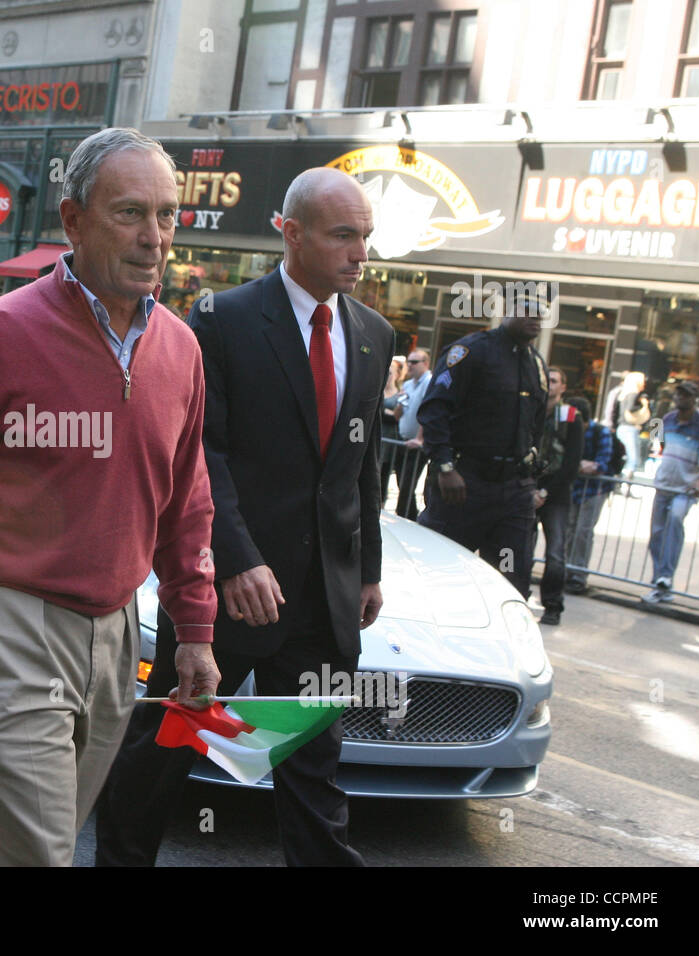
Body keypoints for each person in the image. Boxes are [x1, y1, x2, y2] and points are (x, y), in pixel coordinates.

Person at [0, 127, 220, 867]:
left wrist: (195, 625)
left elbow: (186, 500)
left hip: (117, 631)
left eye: (167, 214)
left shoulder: (182, 350)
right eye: (130, 213)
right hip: (4, 621)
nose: (154, 236)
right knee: (39, 849)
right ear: (73, 220)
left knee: (34, 826)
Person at [96, 166, 392, 867]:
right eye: (343, 235)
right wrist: (234, 559)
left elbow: (363, 464)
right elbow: (200, 451)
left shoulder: (374, 333)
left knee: (312, 764)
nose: (360, 253)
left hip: (324, 596)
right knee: (170, 745)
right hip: (224, 591)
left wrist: (368, 569)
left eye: (367, 237)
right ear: (291, 233)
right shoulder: (222, 319)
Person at [417, 289, 549, 598]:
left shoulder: (536, 364)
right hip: (465, 485)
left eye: (542, 311)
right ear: (507, 312)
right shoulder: (471, 351)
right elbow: (434, 411)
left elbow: (537, 424)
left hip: (513, 492)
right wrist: (445, 466)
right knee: (440, 575)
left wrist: (532, 480)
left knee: (510, 582)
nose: (537, 317)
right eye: (527, 308)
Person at [643, 380, 699, 604]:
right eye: (678, 395)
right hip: (664, 484)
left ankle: (665, 576)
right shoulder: (667, 418)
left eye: (686, 396)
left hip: (685, 487)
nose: (681, 399)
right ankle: (660, 579)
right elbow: (654, 443)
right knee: (657, 534)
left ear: (694, 399)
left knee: (675, 521)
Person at [531, 367, 583, 625]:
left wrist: (545, 491)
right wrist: (530, 489)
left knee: (555, 553)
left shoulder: (571, 416)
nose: (549, 385)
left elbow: (572, 463)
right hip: (527, 491)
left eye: (554, 381)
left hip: (556, 495)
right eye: (546, 380)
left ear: (563, 387)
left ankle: (552, 605)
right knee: (514, 550)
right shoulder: (532, 409)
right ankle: (516, 595)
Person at [564, 396, 613, 595]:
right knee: (569, 528)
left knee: (583, 530)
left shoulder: (601, 432)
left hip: (594, 490)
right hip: (573, 487)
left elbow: (601, 465)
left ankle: (578, 574)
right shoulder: (567, 428)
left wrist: (578, 465)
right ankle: (566, 569)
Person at [395, 348, 431, 519]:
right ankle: (409, 515)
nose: (410, 365)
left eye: (414, 362)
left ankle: (407, 517)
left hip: (417, 445)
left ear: (425, 364)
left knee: (407, 484)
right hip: (402, 440)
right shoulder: (408, 384)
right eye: (409, 361)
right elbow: (398, 414)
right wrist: (400, 401)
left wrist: (420, 438)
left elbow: (429, 412)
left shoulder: (430, 382)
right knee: (402, 484)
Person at [605, 371, 650, 490]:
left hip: (622, 428)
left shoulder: (623, 393)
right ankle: (625, 485)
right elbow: (630, 409)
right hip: (629, 428)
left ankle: (621, 484)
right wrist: (643, 405)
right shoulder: (633, 394)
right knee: (632, 458)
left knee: (625, 457)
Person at [379, 355, 405, 506]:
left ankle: (381, 504)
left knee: (384, 473)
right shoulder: (377, 390)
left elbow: (396, 416)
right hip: (376, 435)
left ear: (397, 375)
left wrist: (383, 412)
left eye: (390, 372)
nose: (387, 376)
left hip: (390, 438)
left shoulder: (400, 394)